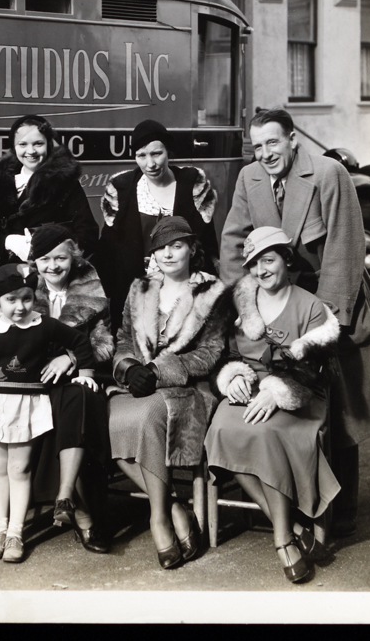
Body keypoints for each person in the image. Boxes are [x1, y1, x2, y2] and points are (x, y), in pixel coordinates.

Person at [220, 107, 370, 537]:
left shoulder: (328, 173)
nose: (265, 153)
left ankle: (342, 512)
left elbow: (345, 249)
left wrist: (324, 325)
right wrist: (245, 304)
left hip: (332, 298)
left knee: (338, 408)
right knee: (291, 404)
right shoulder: (250, 179)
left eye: (273, 142)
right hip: (276, 297)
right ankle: (294, 501)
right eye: (257, 145)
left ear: (293, 138)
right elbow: (232, 242)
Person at [206, 227, 342, 583]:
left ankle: (283, 540)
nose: (261, 271)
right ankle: (295, 525)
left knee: (264, 433)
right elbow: (225, 354)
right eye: (253, 264)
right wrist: (233, 376)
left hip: (299, 396)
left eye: (268, 260)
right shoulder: (241, 300)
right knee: (221, 429)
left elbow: (315, 370)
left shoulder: (310, 306)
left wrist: (276, 391)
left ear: (286, 259)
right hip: (247, 390)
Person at [108, 216, 228, 569]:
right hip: (137, 384)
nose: (169, 253)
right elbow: (124, 339)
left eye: (177, 246)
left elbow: (210, 354)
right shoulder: (141, 288)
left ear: (192, 249)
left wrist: (159, 371)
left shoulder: (211, 292)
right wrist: (129, 368)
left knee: (145, 418)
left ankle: (157, 519)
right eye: (161, 248)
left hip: (187, 389)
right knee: (106, 422)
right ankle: (174, 505)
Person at [0, 265, 98, 563]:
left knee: (19, 470)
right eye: (10, 300)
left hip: (28, 405)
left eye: (26, 298)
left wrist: (86, 371)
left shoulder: (44, 325)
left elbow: (78, 341)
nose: (20, 306)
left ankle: (16, 532)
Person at [29, 224, 113, 554]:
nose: (53, 266)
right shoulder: (22, 289)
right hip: (34, 379)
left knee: (80, 397)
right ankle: (83, 512)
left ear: (73, 257)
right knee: (64, 403)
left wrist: (69, 358)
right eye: (45, 259)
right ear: (34, 260)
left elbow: (104, 344)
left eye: (60, 258)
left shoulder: (90, 287)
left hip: (79, 375)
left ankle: (67, 498)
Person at [95, 118, 219, 331]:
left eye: (156, 153)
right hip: (134, 291)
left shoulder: (191, 185)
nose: (150, 164)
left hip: (182, 288)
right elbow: (109, 250)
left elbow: (207, 243)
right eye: (141, 156)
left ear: (168, 152)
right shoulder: (122, 189)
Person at [0, 114, 99, 266]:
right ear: (13, 146)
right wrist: (9, 242)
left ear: (49, 145)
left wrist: (54, 254)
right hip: (14, 275)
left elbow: (88, 234)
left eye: (38, 144)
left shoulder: (65, 183)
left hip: (55, 272)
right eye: (22, 144)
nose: (31, 151)